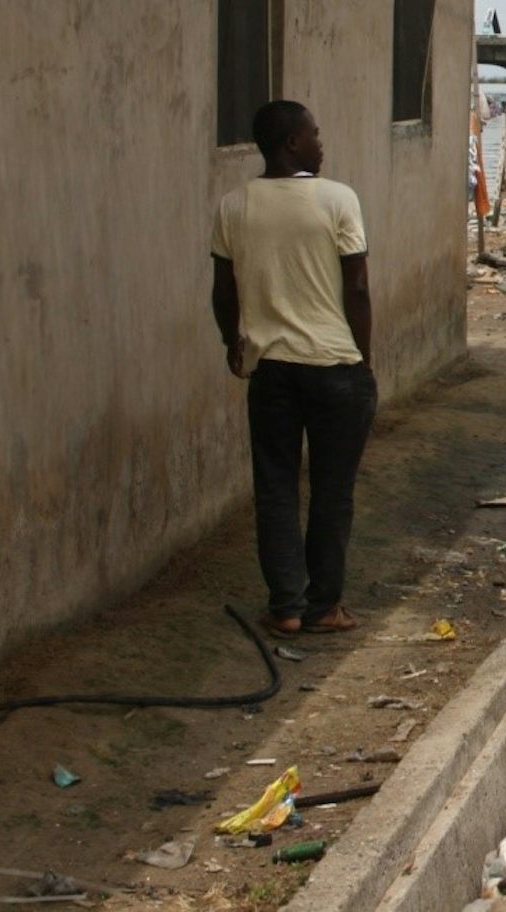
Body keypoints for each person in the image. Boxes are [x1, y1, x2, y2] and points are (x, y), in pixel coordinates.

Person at [210, 101, 375, 637]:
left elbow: (223, 290)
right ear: (291, 143)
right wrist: (363, 361)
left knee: (276, 487)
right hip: (334, 366)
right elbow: (356, 287)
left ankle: (286, 606)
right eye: (314, 134)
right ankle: (323, 605)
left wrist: (233, 341)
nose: (321, 144)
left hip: (272, 370)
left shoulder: (233, 206)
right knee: (332, 490)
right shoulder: (338, 199)